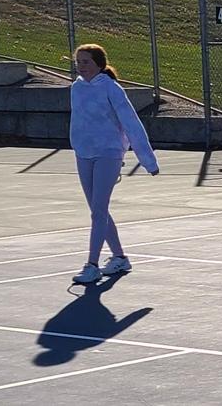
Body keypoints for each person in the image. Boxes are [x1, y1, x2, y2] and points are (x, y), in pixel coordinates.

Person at [69, 44, 159, 284]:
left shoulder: (111, 88)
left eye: (86, 62)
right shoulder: (76, 88)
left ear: (99, 63)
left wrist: (148, 160)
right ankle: (119, 257)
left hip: (108, 153)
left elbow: (131, 123)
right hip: (83, 153)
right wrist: (77, 144)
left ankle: (92, 265)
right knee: (97, 210)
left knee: (98, 210)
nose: (81, 66)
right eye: (78, 62)